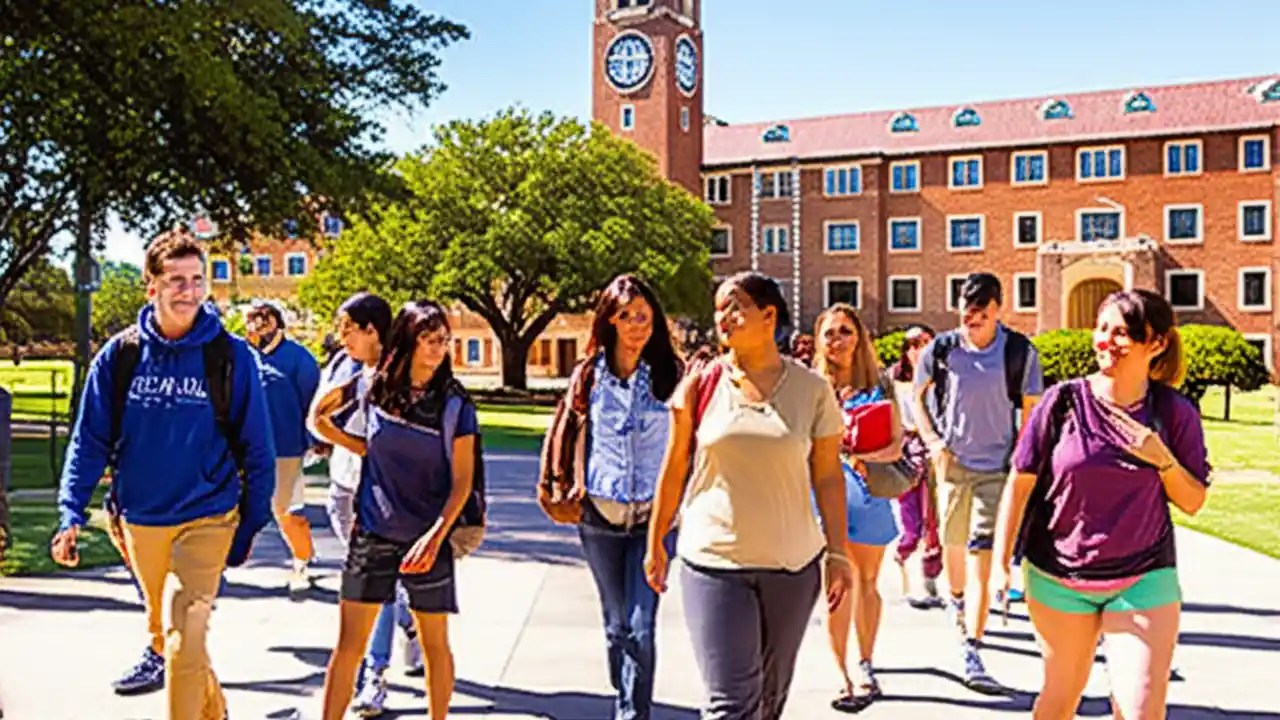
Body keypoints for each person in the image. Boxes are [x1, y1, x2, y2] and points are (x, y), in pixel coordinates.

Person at [52, 234, 276, 719]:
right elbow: (89, 439)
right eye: (176, 280)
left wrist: (251, 524)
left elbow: (258, 448)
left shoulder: (231, 356)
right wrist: (71, 512)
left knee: (184, 631)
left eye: (197, 280)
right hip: (139, 520)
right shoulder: (120, 356)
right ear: (150, 286)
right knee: (176, 638)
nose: (189, 292)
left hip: (209, 516)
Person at [645, 272, 852, 720]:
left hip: (792, 568)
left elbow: (829, 476)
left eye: (735, 306)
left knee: (768, 703)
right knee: (729, 705)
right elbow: (675, 466)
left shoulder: (813, 390)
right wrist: (656, 540)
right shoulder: (700, 385)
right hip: (713, 561)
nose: (724, 317)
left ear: (768, 315)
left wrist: (838, 553)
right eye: (718, 309)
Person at [994, 289, 1210, 720]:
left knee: (1141, 708)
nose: (1107, 341)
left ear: (1157, 343)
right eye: (1102, 328)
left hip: (1144, 576)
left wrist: (1161, 457)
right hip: (1059, 576)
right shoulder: (1062, 402)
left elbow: (1193, 501)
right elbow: (1020, 483)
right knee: (1060, 698)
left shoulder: (1173, 412)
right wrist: (1000, 563)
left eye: (1123, 332)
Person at [313, 300, 476, 720]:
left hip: (428, 536)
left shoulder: (455, 404)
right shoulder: (376, 386)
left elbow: (462, 483)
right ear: (407, 341)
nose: (438, 349)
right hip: (372, 531)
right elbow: (321, 417)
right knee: (348, 645)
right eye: (428, 340)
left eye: (443, 341)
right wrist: (362, 448)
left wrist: (435, 537)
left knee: (435, 643)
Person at [912, 272, 1043, 693]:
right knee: (953, 552)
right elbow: (916, 397)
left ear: (997, 309)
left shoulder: (1019, 351)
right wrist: (934, 442)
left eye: (981, 314)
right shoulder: (943, 349)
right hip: (951, 466)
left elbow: (1031, 411)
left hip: (996, 470)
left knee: (981, 554)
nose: (972, 320)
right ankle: (957, 602)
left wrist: (1019, 463)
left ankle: (973, 645)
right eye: (967, 312)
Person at [566, 275, 682, 720]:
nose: (636, 325)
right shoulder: (589, 376)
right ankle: (625, 695)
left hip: (653, 521)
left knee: (641, 627)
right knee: (616, 627)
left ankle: (631, 713)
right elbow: (571, 434)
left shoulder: (672, 374)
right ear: (610, 320)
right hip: (599, 516)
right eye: (626, 316)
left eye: (644, 317)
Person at [308, 292, 423, 718]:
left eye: (347, 329)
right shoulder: (344, 365)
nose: (340, 337)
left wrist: (364, 449)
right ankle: (410, 625)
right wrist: (354, 446)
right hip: (343, 489)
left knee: (374, 585)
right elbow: (315, 417)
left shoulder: (401, 374)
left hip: (383, 495)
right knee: (385, 584)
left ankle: (373, 676)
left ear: (372, 330)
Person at [814, 303, 903, 713]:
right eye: (829, 332)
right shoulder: (811, 385)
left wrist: (865, 452)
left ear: (859, 336)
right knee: (837, 586)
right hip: (824, 495)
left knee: (867, 582)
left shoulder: (879, 382)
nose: (837, 340)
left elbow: (898, 442)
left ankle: (866, 664)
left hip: (868, 491)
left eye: (845, 331)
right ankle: (841, 672)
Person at [246, 300, 322, 598]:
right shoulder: (243, 356)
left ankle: (302, 563)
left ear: (277, 322)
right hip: (247, 449)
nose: (257, 325)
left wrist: (316, 441)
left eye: (263, 318)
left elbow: (313, 404)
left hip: (286, 448)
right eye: (252, 319)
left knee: (285, 511)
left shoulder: (298, 358)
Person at [889, 325, 944, 610]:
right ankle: (905, 561)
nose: (918, 348)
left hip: (935, 456)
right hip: (904, 457)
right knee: (910, 522)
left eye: (924, 342)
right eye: (912, 343)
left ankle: (928, 578)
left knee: (934, 521)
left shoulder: (943, 380)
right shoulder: (893, 382)